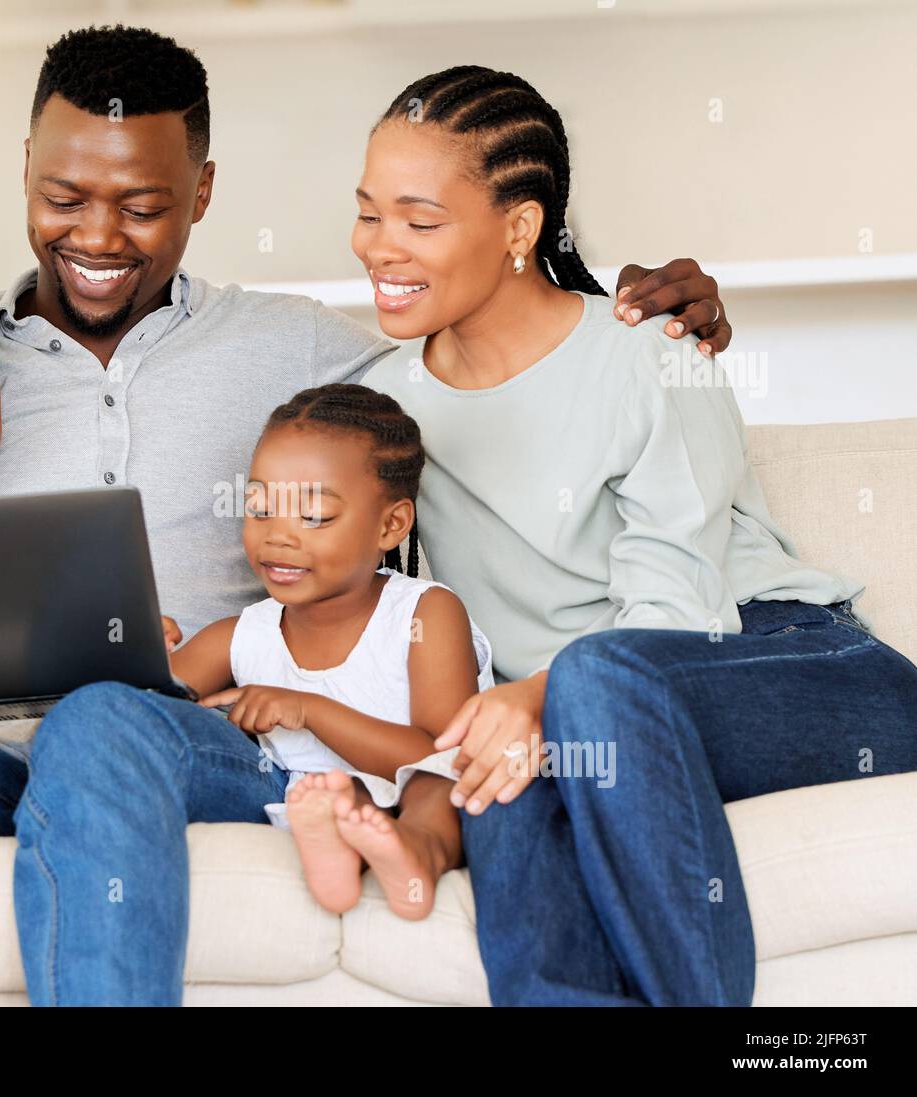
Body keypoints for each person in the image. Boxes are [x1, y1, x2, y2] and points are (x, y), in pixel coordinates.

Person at [0, 25, 731, 1004]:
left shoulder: (296, 347)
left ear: (201, 192)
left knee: (107, 713)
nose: (97, 235)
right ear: (24, 171)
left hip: (183, 742)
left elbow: (481, 353)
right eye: (63, 199)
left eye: (143, 205)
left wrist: (621, 310)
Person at [348, 65, 917, 1005]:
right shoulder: (381, 406)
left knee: (585, 687)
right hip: (570, 711)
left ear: (520, 228)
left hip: (788, 671)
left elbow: (674, 615)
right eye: (368, 212)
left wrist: (535, 695)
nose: (380, 247)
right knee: (505, 780)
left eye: (419, 219)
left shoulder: (652, 355)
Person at [155, 384, 493, 918]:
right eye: (261, 508)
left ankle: (416, 856)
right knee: (321, 797)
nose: (279, 537)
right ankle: (341, 846)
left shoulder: (423, 614)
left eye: (312, 516)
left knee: (434, 781)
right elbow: (140, 708)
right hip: (309, 803)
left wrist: (309, 710)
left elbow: (438, 751)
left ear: (391, 525)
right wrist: (143, 648)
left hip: (418, 795)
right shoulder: (240, 636)